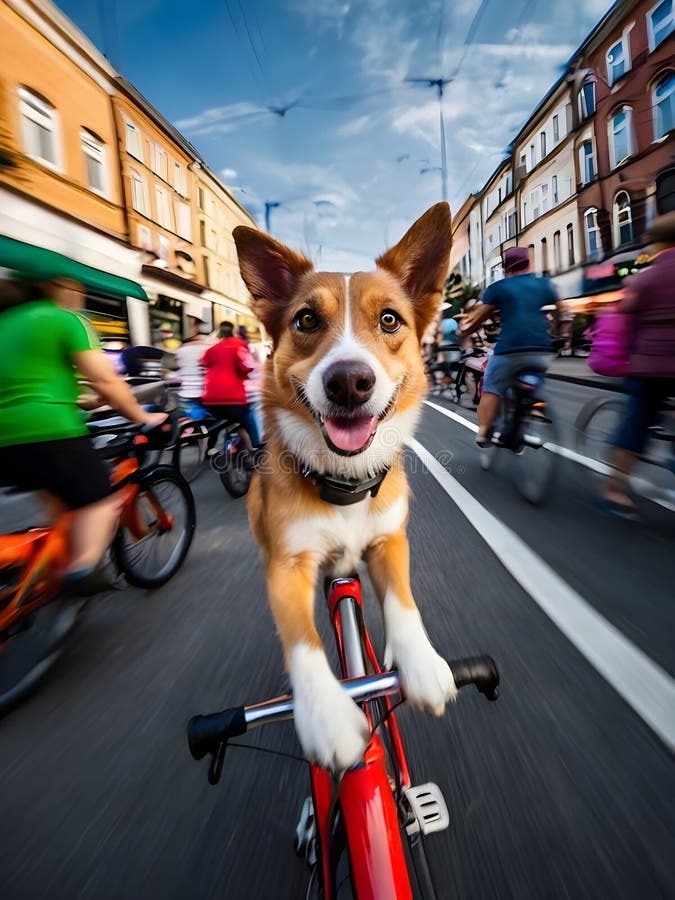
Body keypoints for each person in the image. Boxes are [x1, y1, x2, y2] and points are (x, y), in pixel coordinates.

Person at [0, 276, 166, 583]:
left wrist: (83, 400)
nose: (81, 295)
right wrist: (142, 416)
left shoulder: (5, 324)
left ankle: (49, 563)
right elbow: (106, 380)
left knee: (62, 501)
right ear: (54, 288)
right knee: (101, 503)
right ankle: (81, 575)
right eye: (76, 288)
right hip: (48, 431)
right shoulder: (62, 319)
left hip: (5, 440)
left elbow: (29, 381)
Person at [602, 211, 675, 517]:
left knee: (637, 422)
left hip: (650, 365)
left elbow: (626, 310)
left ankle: (615, 490)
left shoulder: (648, 276)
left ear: (657, 243)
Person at [460, 247, 556, 446]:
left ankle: (484, 430)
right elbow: (564, 312)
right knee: (535, 374)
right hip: (542, 350)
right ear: (528, 264)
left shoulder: (499, 288)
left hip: (510, 350)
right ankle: (534, 409)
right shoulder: (544, 284)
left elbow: (479, 317)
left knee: (491, 384)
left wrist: (467, 332)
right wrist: (560, 335)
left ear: (505, 269)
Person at [201, 320, 261, 453]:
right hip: (233, 397)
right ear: (233, 331)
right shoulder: (239, 345)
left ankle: (210, 450)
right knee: (248, 420)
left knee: (217, 423)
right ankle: (258, 450)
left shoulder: (213, 348)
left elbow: (204, 362)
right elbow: (247, 366)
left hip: (210, 398)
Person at [171, 315, 211, 417]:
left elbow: (182, 371)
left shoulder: (181, 349)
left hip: (187, 394)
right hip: (205, 395)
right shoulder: (209, 347)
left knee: (189, 426)